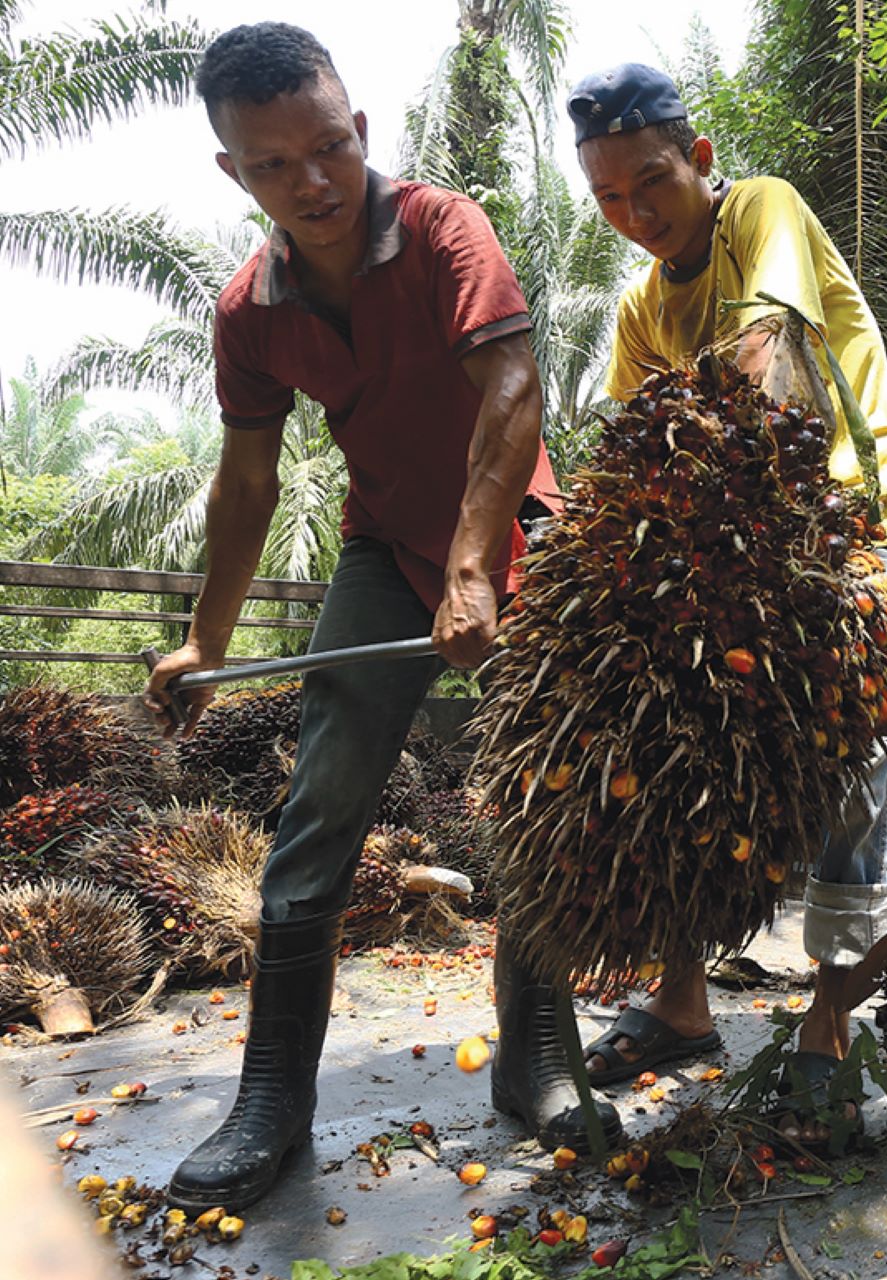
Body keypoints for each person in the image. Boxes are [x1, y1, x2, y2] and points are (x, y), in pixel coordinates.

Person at [144, 22, 613, 1211]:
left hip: (511, 539)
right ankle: (271, 1104)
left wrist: (474, 569)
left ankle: (537, 1056)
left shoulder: (446, 230)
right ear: (233, 174)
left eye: (330, 146)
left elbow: (512, 392)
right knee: (319, 807)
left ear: (358, 126)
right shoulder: (250, 310)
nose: (312, 181)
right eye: (273, 165)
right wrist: (207, 639)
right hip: (380, 544)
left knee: (538, 799)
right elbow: (246, 482)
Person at [566, 64, 887, 1142]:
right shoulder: (640, 309)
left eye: (652, 182)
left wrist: (710, 502)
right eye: (610, 199)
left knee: (854, 776)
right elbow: (638, 460)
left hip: (854, 531)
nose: (636, 213)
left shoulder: (761, 209)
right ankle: (682, 1004)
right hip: (738, 556)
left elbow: (764, 363)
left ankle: (826, 1027)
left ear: (700, 161)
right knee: (692, 759)